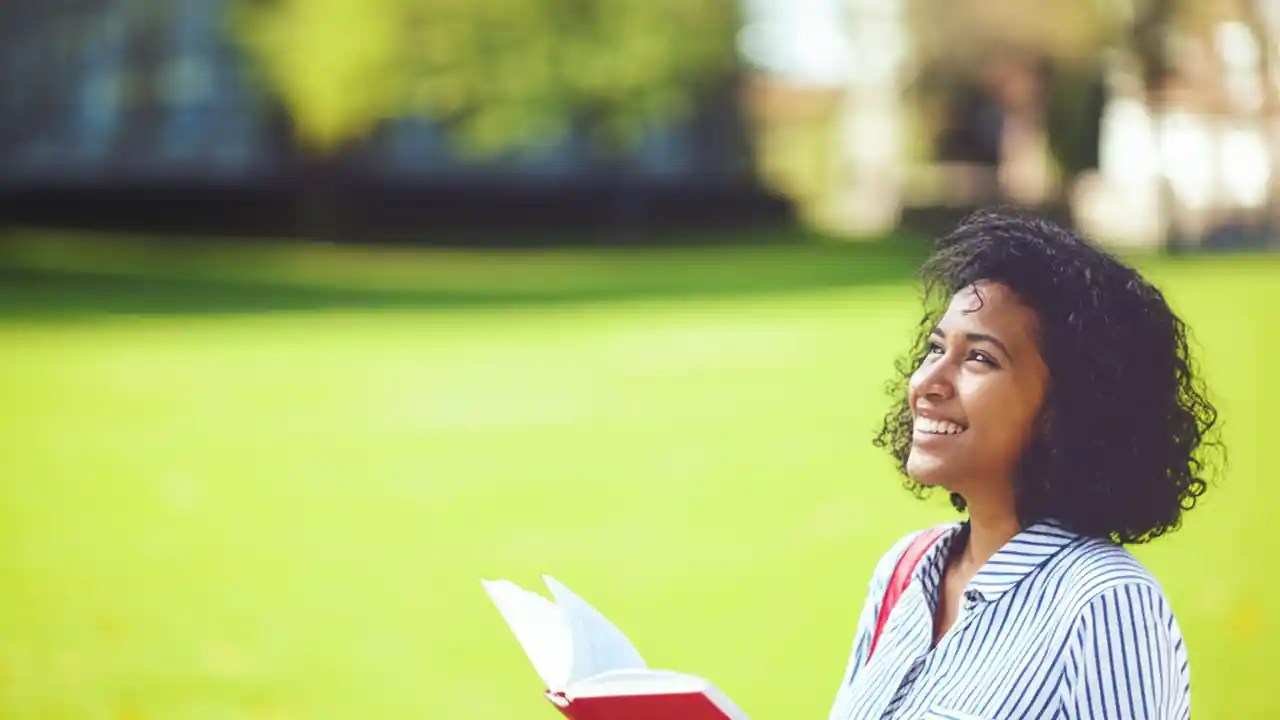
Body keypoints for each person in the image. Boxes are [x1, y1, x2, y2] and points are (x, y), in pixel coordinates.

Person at [828, 211, 1219, 720]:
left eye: (980, 359)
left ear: (1068, 409)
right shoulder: (906, 570)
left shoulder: (1104, 602)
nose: (928, 382)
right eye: (935, 348)